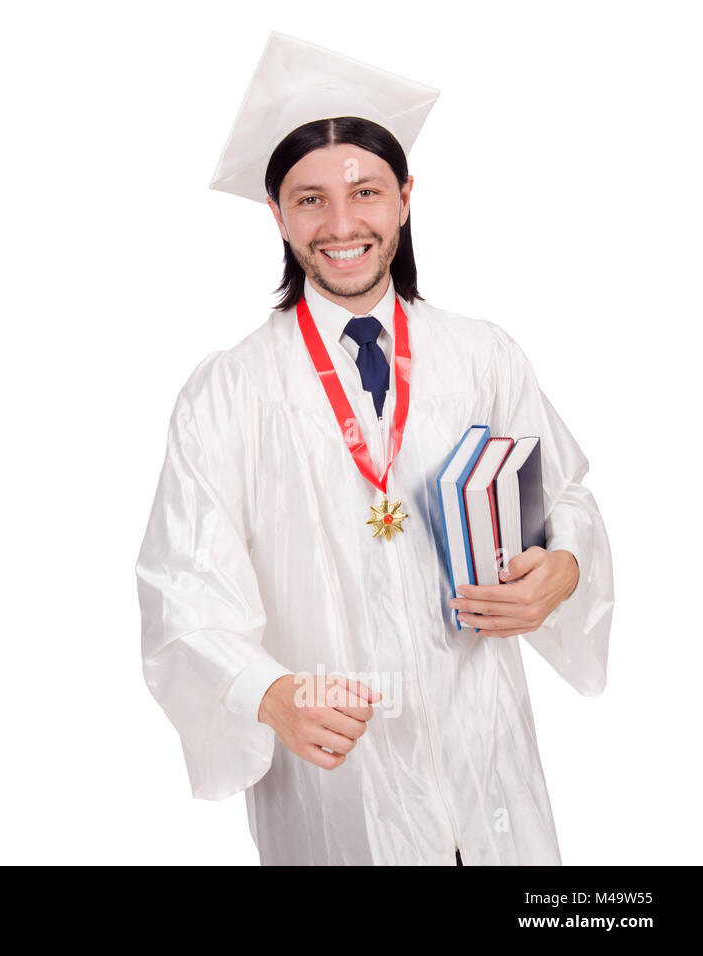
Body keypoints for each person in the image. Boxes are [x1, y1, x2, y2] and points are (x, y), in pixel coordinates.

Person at [135, 32, 613, 865]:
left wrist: (563, 567)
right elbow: (182, 586)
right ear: (277, 213)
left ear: (404, 198)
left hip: (484, 756)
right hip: (339, 778)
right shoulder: (232, 391)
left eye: (366, 190)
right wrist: (269, 693)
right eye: (310, 198)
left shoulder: (481, 355)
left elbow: (562, 495)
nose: (343, 222)